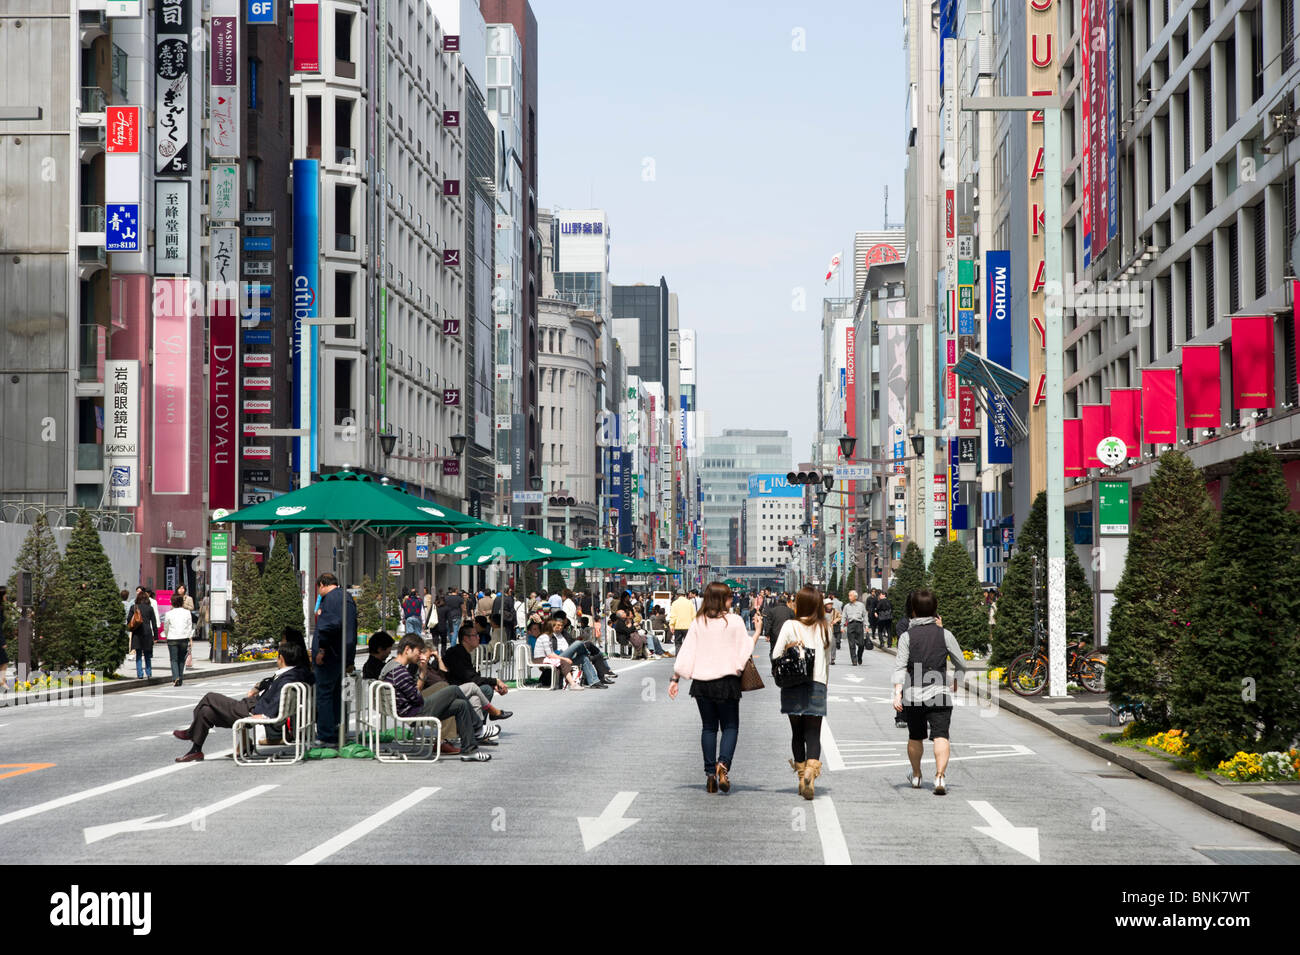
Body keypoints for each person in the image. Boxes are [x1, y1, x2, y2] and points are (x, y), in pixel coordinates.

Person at [668, 582, 758, 793]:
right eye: (728, 597)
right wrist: (758, 631)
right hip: (727, 681)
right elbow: (745, 651)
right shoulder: (735, 621)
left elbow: (687, 652)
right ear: (721, 599)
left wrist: (675, 679)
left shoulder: (699, 622)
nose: (731, 600)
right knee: (730, 727)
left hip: (702, 683)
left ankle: (710, 773)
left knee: (708, 727)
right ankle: (722, 765)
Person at [173, 640, 311, 761]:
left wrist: (265, 715)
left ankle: (191, 733)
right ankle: (196, 750)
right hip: (252, 705)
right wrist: (258, 687)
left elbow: (278, 698)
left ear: (281, 658)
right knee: (206, 711)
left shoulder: (287, 678)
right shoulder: (295, 673)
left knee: (210, 697)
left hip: (252, 709)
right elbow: (271, 683)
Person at [891, 589, 969, 794]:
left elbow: (900, 667)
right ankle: (940, 777)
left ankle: (916, 775)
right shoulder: (945, 634)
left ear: (913, 610)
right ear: (935, 610)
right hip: (939, 692)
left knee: (915, 736)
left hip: (913, 694)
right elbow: (961, 663)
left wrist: (897, 692)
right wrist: (956, 682)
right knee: (941, 735)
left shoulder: (907, 636)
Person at [380, 635, 491, 762]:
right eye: (418, 651)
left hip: (409, 709)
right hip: (414, 713)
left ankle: (470, 750)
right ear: (407, 649)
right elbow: (417, 699)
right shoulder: (400, 673)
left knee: (460, 704)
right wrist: (423, 672)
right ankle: (478, 728)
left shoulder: (391, 667)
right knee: (453, 689)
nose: (420, 655)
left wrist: (422, 671)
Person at [771, 586, 833, 800]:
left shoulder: (790, 625)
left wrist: (790, 645)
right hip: (817, 683)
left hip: (792, 684)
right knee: (813, 733)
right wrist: (825, 682)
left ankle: (800, 777)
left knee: (797, 733)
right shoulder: (825, 627)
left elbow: (775, 654)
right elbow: (827, 658)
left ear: (799, 604)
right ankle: (810, 773)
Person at [311, 572, 358, 748]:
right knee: (337, 694)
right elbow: (352, 628)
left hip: (330, 654)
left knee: (324, 693)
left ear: (322, 584)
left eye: (318, 588)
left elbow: (329, 626)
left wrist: (321, 649)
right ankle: (338, 729)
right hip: (343, 654)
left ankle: (326, 734)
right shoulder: (347, 598)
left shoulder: (330, 599)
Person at [442, 626, 509, 701]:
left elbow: (472, 678)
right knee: (486, 690)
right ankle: (490, 713)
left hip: (459, 687)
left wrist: (493, 684)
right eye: (476, 635)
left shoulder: (462, 652)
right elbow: (472, 679)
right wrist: (496, 681)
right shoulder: (457, 654)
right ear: (466, 638)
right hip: (452, 691)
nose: (478, 637)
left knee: (486, 688)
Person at [161, 591, 194, 686]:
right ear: (182, 602)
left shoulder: (169, 614)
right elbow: (189, 626)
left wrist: (167, 635)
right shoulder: (187, 613)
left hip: (172, 638)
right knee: (181, 659)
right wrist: (189, 637)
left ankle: (176, 677)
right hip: (184, 638)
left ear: (172, 602)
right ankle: (180, 677)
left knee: (173, 659)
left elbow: (166, 626)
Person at [128, 590, 158, 679]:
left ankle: (140, 674)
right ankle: (149, 673)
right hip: (147, 633)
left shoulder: (134, 607)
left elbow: (128, 619)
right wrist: (156, 636)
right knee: (147, 655)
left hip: (137, 633)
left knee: (138, 655)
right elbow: (154, 623)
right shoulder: (149, 608)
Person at [762, 592, 796, 661]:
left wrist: (767, 634)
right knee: (787, 652)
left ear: (777, 601)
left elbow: (769, 624)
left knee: (773, 651)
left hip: (775, 635)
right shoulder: (790, 611)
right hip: (787, 637)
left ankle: (774, 666)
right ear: (786, 602)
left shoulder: (772, 611)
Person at [843, 589, 868, 664]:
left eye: (850, 595)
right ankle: (854, 660)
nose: (849, 597)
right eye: (849, 595)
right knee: (851, 644)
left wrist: (866, 625)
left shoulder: (861, 605)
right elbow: (844, 616)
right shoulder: (846, 606)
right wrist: (842, 626)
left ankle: (859, 656)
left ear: (855, 597)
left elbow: (865, 615)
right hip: (850, 625)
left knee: (861, 644)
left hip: (859, 624)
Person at [824, 597, 842, 666]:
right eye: (828, 604)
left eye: (831, 604)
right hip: (824, 630)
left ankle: (832, 659)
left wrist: (836, 620)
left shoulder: (835, 611)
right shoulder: (821, 611)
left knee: (833, 645)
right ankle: (826, 658)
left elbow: (840, 617)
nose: (830, 605)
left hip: (832, 630)